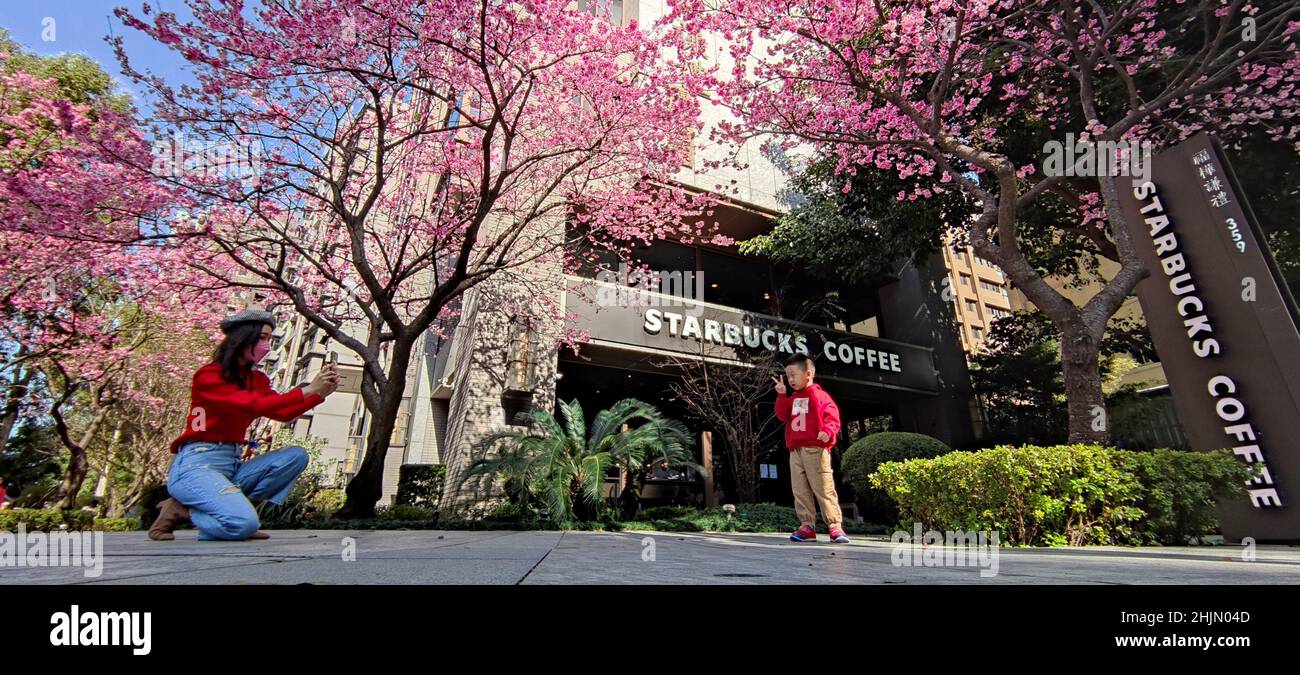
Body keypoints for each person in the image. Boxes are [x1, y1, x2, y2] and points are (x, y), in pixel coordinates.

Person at [149, 309, 339, 541]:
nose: (266, 345)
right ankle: (186, 511)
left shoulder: (257, 380)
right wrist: (308, 388)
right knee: (242, 525)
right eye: (262, 338)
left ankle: (235, 510)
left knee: (296, 456)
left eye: (269, 338)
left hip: (231, 464)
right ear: (241, 339)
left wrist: (319, 394)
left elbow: (281, 413)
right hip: (197, 465)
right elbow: (251, 404)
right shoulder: (209, 376)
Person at [772, 353, 849, 543]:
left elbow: (833, 417)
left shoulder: (820, 395)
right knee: (800, 489)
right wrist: (781, 395)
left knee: (823, 487)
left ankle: (834, 526)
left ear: (808, 374)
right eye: (787, 376)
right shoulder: (794, 398)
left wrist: (828, 431)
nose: (790, 380)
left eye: (793, 375)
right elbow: (783, 415)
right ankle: (807, 525)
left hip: (815, 448)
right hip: (795, 450)